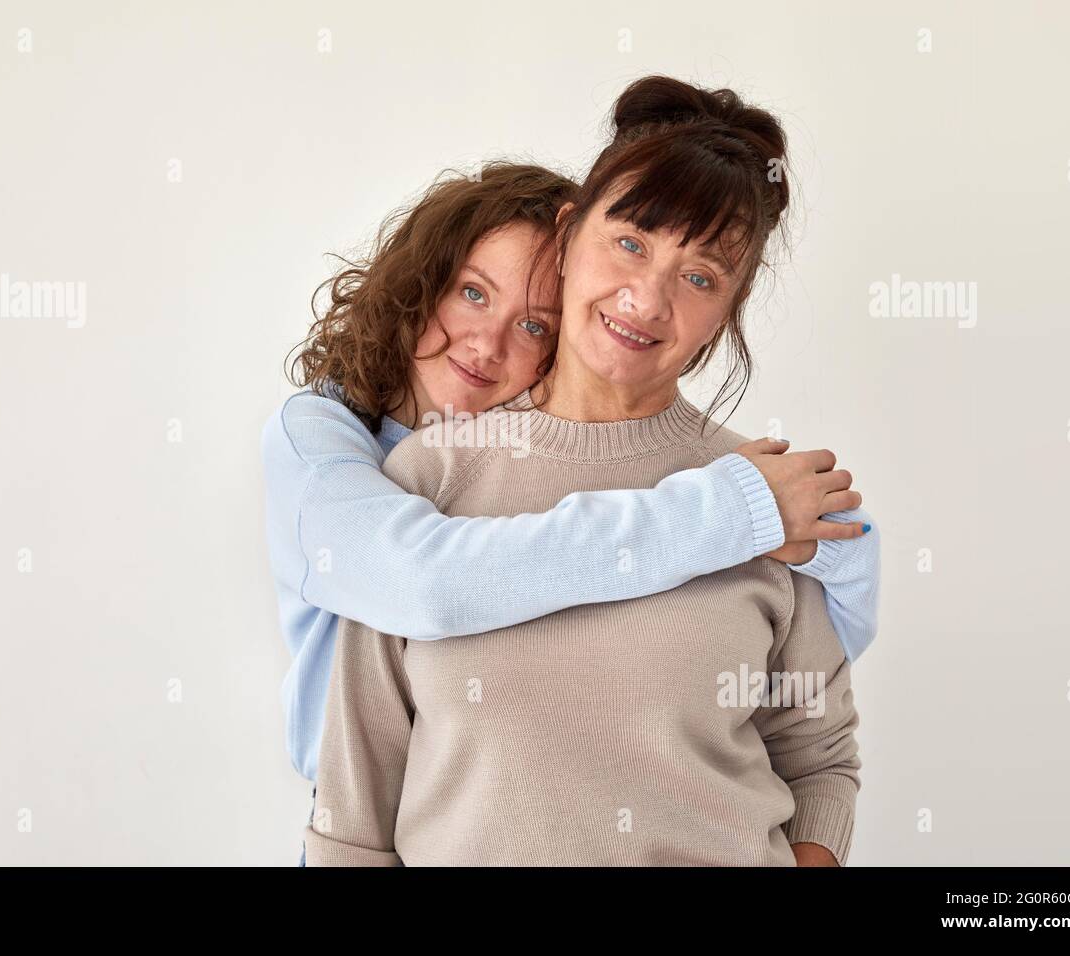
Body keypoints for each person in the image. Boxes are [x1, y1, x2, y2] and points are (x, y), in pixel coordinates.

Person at [302, 76, 866, 866]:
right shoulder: (426, 480)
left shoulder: (770, 495)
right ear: (567, 238)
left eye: (700, 276)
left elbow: (820, 761)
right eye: (631, 241)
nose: (648, 297)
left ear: (728, 309)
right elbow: (354, 817)